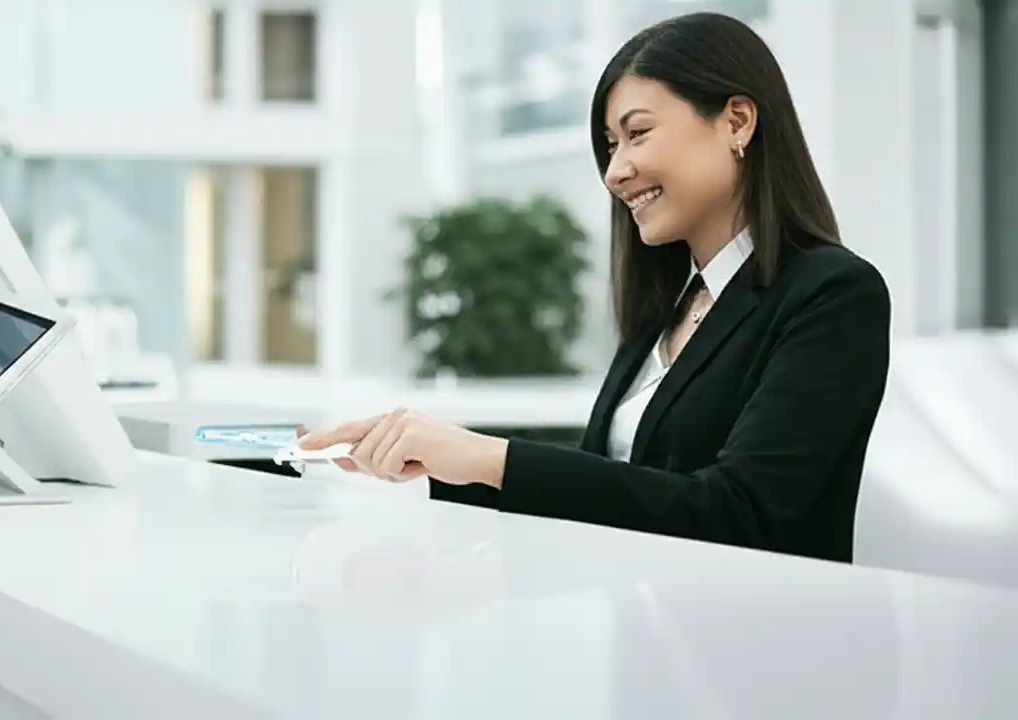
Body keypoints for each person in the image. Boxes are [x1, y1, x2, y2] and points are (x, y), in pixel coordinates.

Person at [299, 12, 891, 563]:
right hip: (644, 648)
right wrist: (429, 463)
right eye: (611, 146)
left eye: (637, 134)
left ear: (736, 121)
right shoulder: (671, 309)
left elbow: (742, 514)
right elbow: (605, 489)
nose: (615, 172)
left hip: (765, 655)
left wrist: (490, 458)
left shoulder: (834, 295)